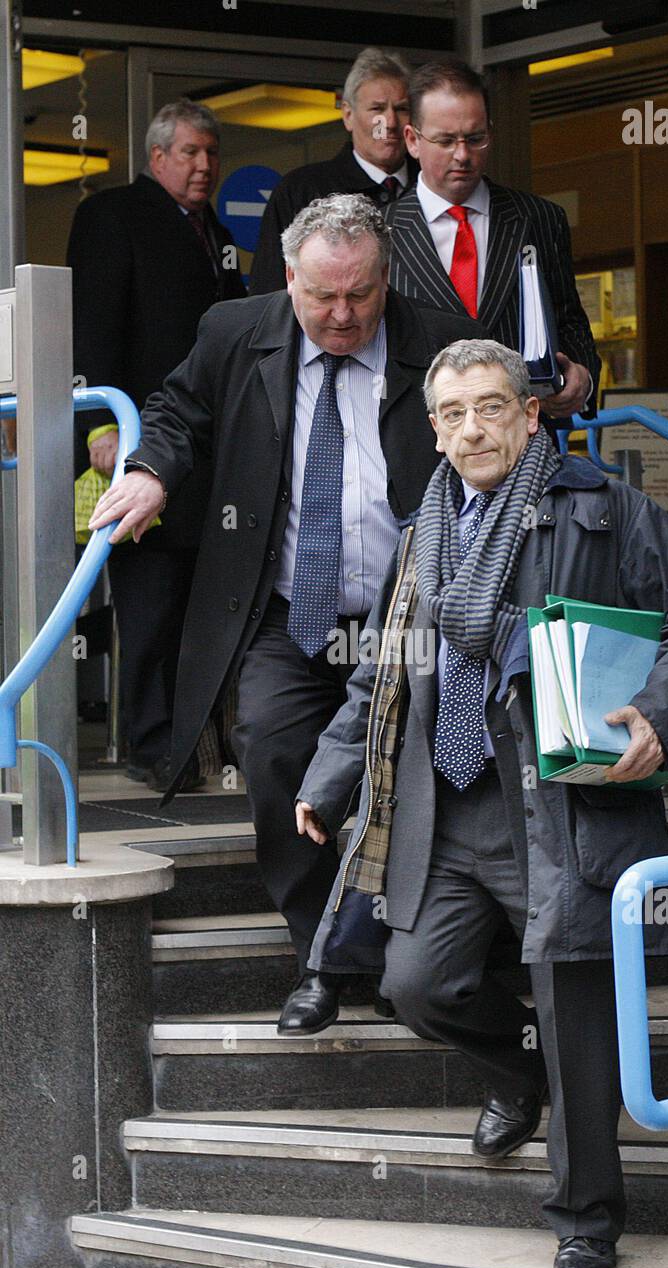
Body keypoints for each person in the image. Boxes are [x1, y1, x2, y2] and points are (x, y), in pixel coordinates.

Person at [294, 339, 668, 1268]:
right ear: (436, 428)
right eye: (452, 414)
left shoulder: (602, 509)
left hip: (560, 802)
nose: (472, 428)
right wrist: (328, 777)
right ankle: (523, 1081)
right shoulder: (422, 531)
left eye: (491, 406)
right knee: (415, 985)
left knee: (575, 1011)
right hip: (446, 806)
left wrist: (660, 710)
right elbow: (382, 671)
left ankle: (586, 1224)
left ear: (530, 414)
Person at [87, 194, 481, 1035]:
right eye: (322, 297)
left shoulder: (439, 338)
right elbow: (177, 411)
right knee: (271, 754)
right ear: (290, 279)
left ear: (387, 281)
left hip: (406, 612)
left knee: (413, 773)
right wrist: (153, 471)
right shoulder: (237, 330)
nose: (341, 317)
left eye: (362, 296)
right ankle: (322, 955)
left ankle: (416, 951)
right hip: (287, 609)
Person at [67, 98, 246, 790]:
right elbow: (91, 325)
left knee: (195, 604)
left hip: (206, 456)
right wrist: (101, 426)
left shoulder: (212, 230)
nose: (204, 166)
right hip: (136, 443)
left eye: (212, 154)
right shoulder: (113, 214)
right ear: (157, 156)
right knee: (148, 602)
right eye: (191, 153)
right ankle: (148, 745)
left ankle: (194, 746)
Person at [386, 60, 600, 426]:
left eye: (475, 138)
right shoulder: (381, 233)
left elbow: (569, 320)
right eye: (445, 140)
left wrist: (582, 375)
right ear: (412, 140)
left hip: (523, 438)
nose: (463, 155)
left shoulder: (540, 219)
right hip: (420, 444)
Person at [249, 47, 416, 295]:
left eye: (401, 109)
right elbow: (269, 294)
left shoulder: (434, 187)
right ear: (348, 115)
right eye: (377, 109)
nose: (390, 123)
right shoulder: (301, 190)